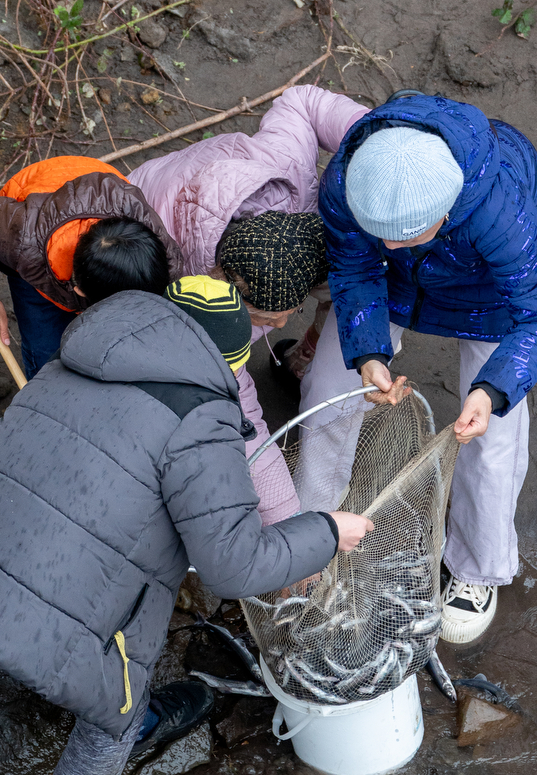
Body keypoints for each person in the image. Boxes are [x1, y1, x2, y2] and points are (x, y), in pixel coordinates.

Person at [0, 277, 373, 775]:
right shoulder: (202, 419)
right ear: (229, 363)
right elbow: (231, 565)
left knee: (121, 648)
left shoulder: (73, 359)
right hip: (29, 608)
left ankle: (143, 713)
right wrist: (326, 530)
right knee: (108, 714)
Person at [303, 90, 537, 644]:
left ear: (448, 211)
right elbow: (355, 267)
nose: (389, 243)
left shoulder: (503, 212)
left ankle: (477, 569)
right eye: (381, 233)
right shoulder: (349, 183)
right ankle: (309, 530)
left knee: (489, 437)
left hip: (489, 293)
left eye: (405, 235)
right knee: (326, 385)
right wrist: (370, 352)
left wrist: (492, 391)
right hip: (404, 284)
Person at [128, 82, 368, 524]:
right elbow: (245, 424)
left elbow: (301, 100)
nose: (278, 327)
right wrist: (287, 520)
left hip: (216, 195)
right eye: (268, 318)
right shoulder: (197, 309)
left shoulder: (288, 172)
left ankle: (307, 352)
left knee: (354, 281)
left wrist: (378, 142)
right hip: (141, 214)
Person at [0, 155, 183, 378]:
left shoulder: (164, 260)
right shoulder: (22, 239)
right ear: (80, 291)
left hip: (92, 191)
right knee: (45, 351)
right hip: (38, 223)